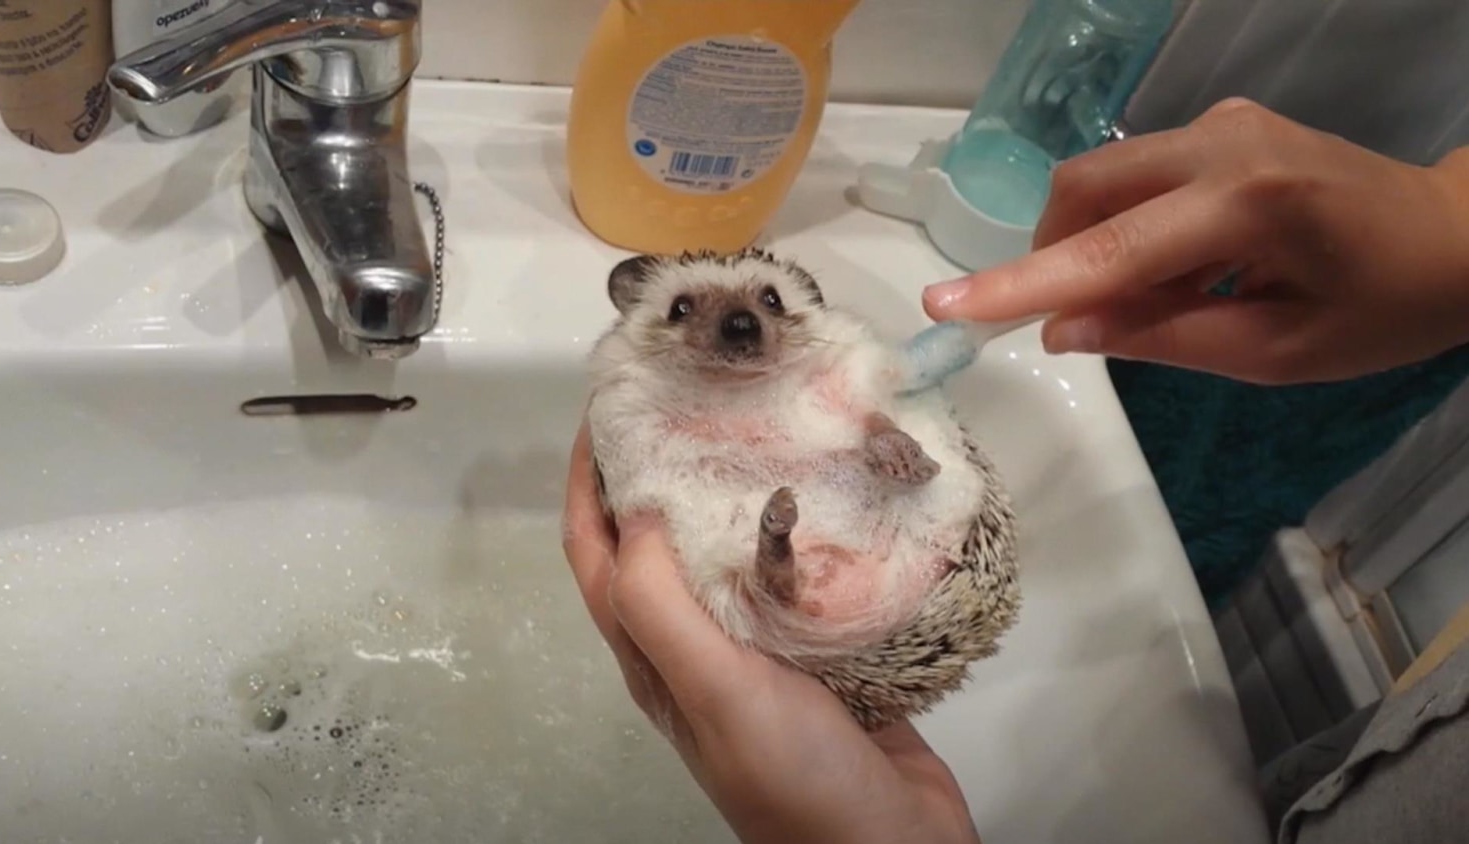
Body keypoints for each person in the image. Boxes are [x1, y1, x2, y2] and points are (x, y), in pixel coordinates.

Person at [560, 98, 1469, 844]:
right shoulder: (651, 403)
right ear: (637, 324)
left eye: (764, 299)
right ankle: (777, 574)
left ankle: (783, 569)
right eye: (687, 309)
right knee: (730, 547)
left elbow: (866, 391)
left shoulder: (818, 368)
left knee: (857, 466)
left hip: (880, 538)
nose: (740, 320)